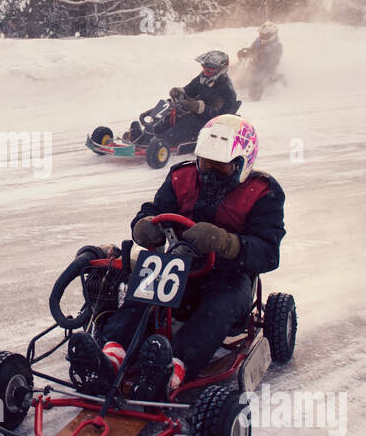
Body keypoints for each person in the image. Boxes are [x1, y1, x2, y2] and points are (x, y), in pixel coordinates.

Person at [67, 114, 285, 401]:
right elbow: (153, 210)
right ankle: (110, 360)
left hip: (228, 276)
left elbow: (268, 253)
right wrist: (144, 226)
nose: (209, 172)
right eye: (206, 163)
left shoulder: (263, 193)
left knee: (218, 307)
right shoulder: (182, 177)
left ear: (242, 165)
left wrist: (225, 242)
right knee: (142, 290)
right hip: (178, 266)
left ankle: (171, 370)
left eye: (220, 167)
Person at [162, 50, 239, 145]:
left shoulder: (227, 89)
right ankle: (152, 133)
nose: (205, 72)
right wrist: (178, 92)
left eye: (209, 70)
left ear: (221, 70)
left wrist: (199, 107)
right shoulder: (202, 78)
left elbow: (223, 116)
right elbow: (189, 90)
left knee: (188, 121)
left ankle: (164, 141)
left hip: (211, 124)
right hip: (197, 114)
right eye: (204, 69)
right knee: (171, 111)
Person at [237, 22, 283, 100]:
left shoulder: (277, 46)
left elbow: (272, 61)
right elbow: (252, 50)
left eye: (265, 35)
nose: (262, 37)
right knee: (235, 70)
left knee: (255, 80)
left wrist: (259, 55)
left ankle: (256, 90)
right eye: (261, 34)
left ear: (272, 35)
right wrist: (244, 53)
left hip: (266, 70)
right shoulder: (258, 41)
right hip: (253, 66)